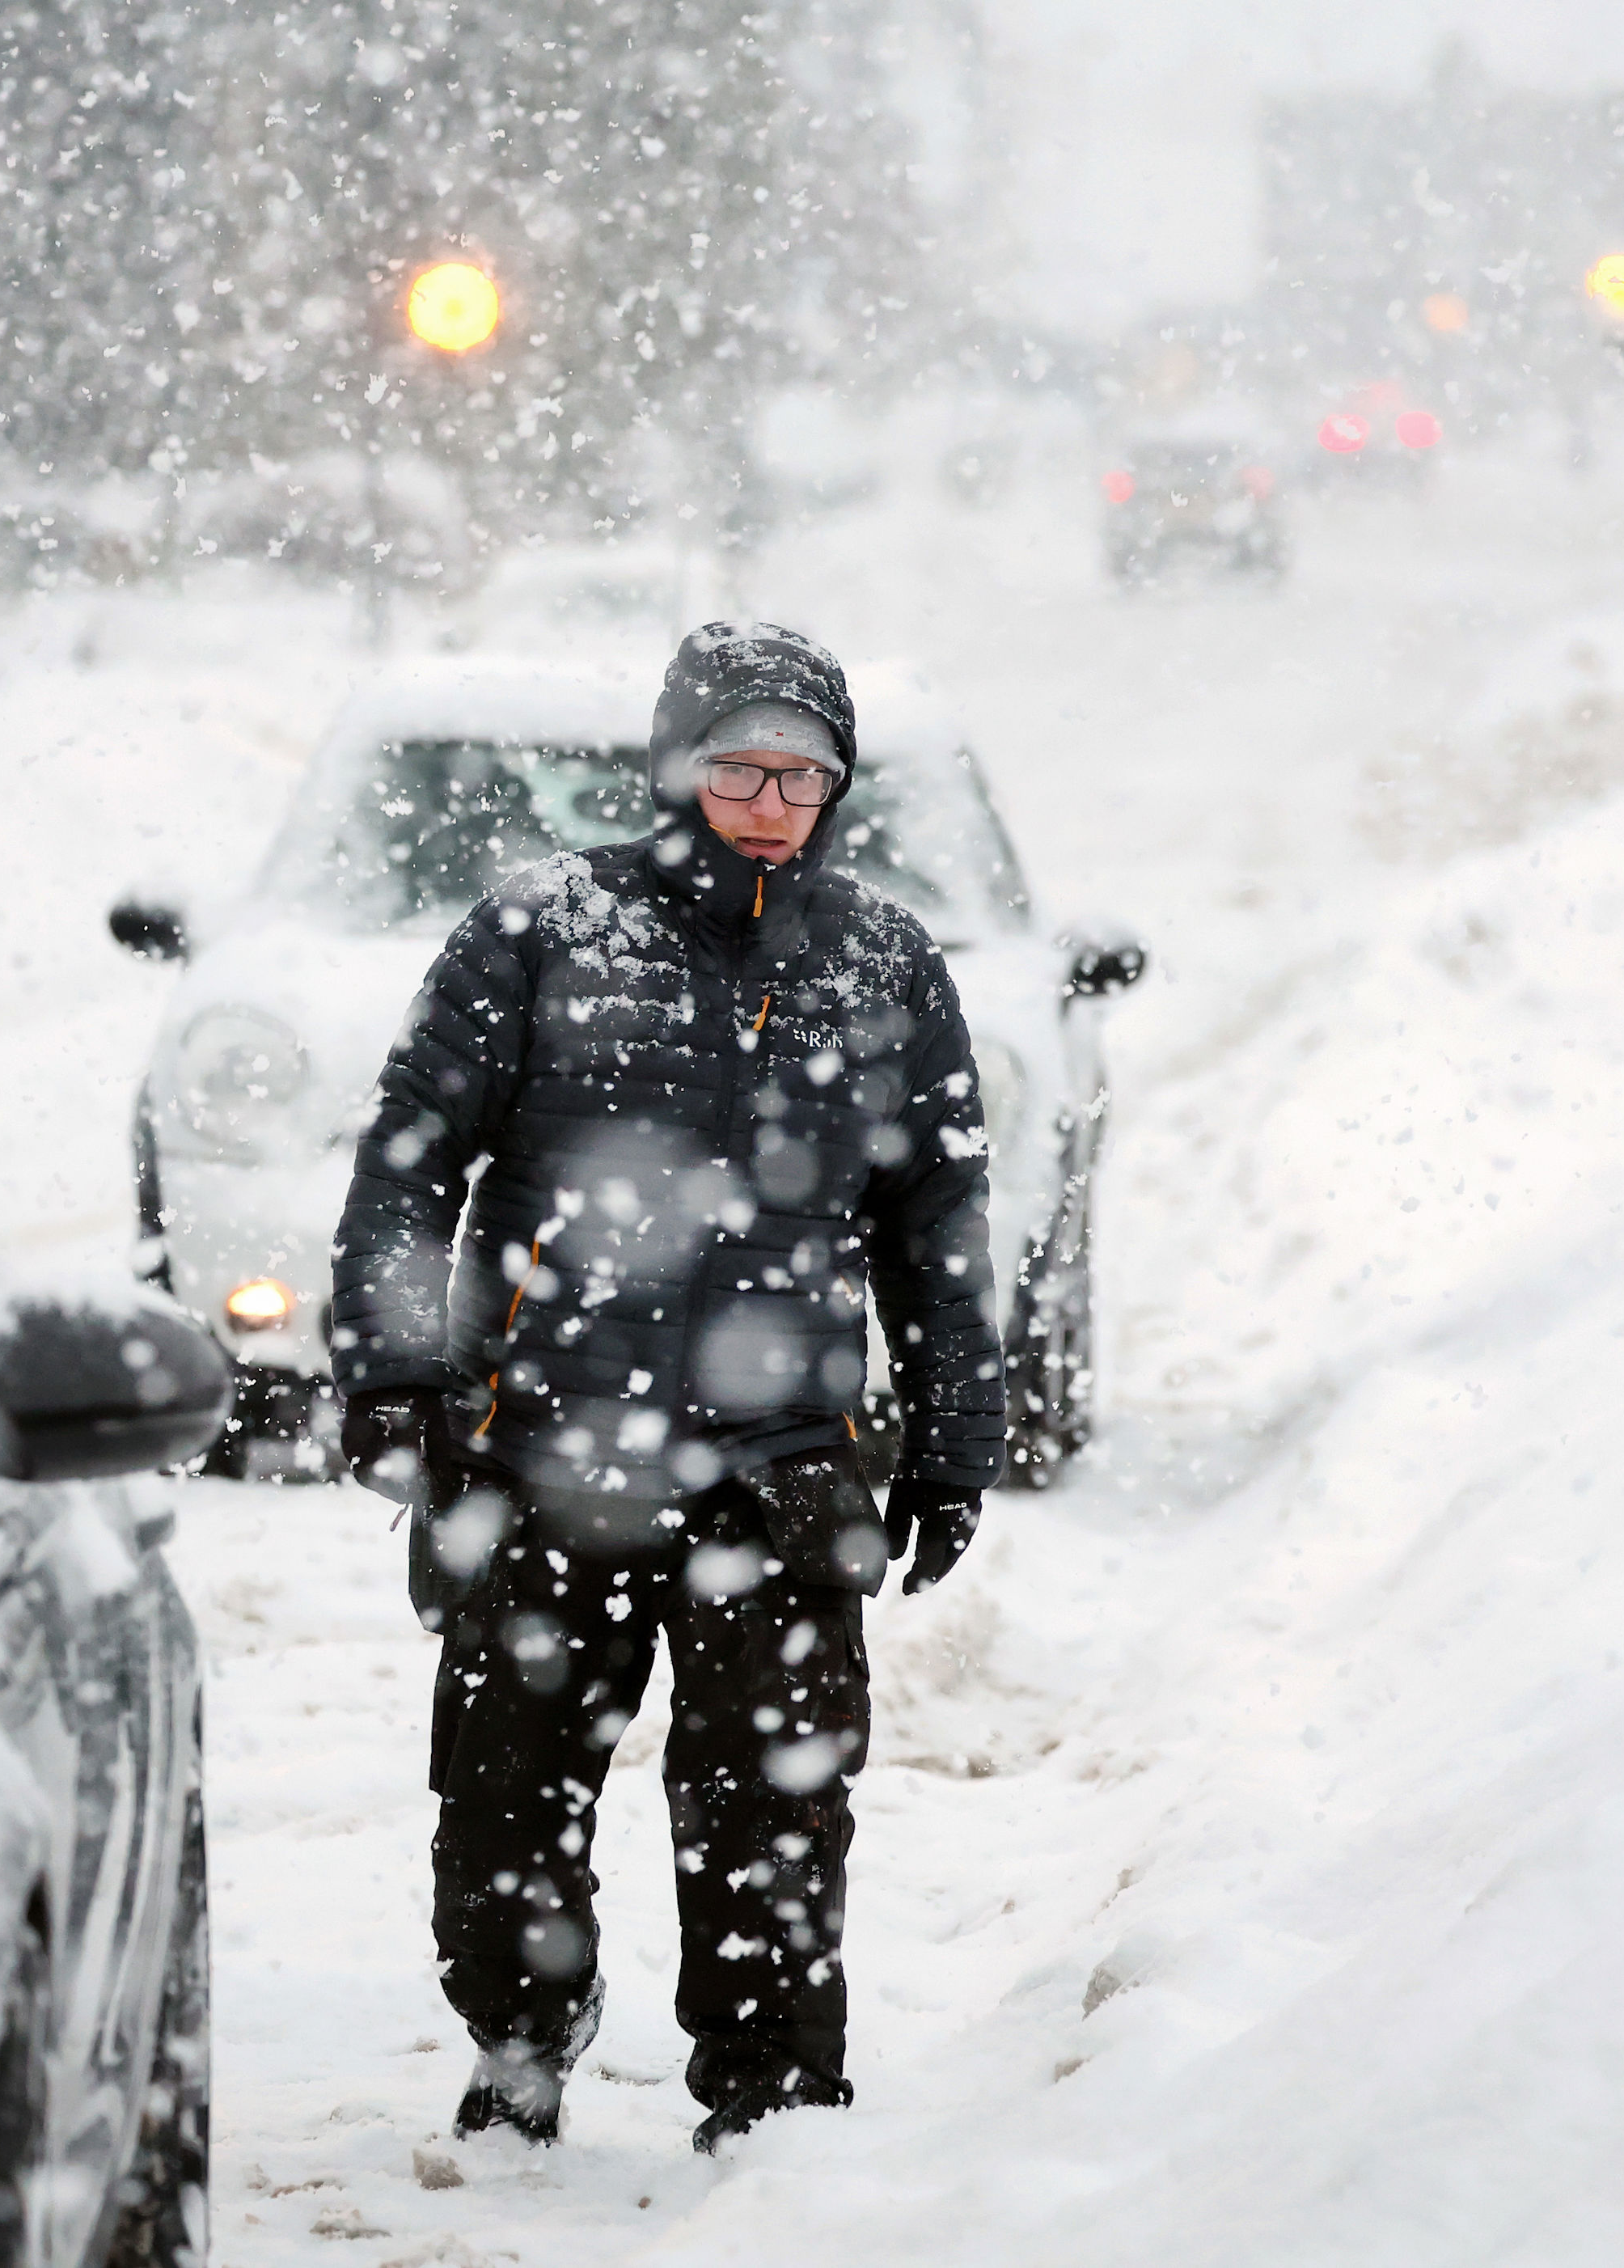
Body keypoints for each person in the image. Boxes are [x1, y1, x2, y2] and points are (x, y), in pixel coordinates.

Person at [328, 620, 1006, 2155]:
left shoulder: (884, 964)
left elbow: (936, 1225)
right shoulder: (540, 932)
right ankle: (520, 2033)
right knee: (503, 1795)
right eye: (739, 767)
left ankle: (769, 2102)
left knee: (773, 1806)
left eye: (805, 775)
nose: (771, 801)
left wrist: (958, 1440)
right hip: (542, 1446)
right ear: (676, 766)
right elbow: (405, 1169)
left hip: (783, 1462)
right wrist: (392, 1377)